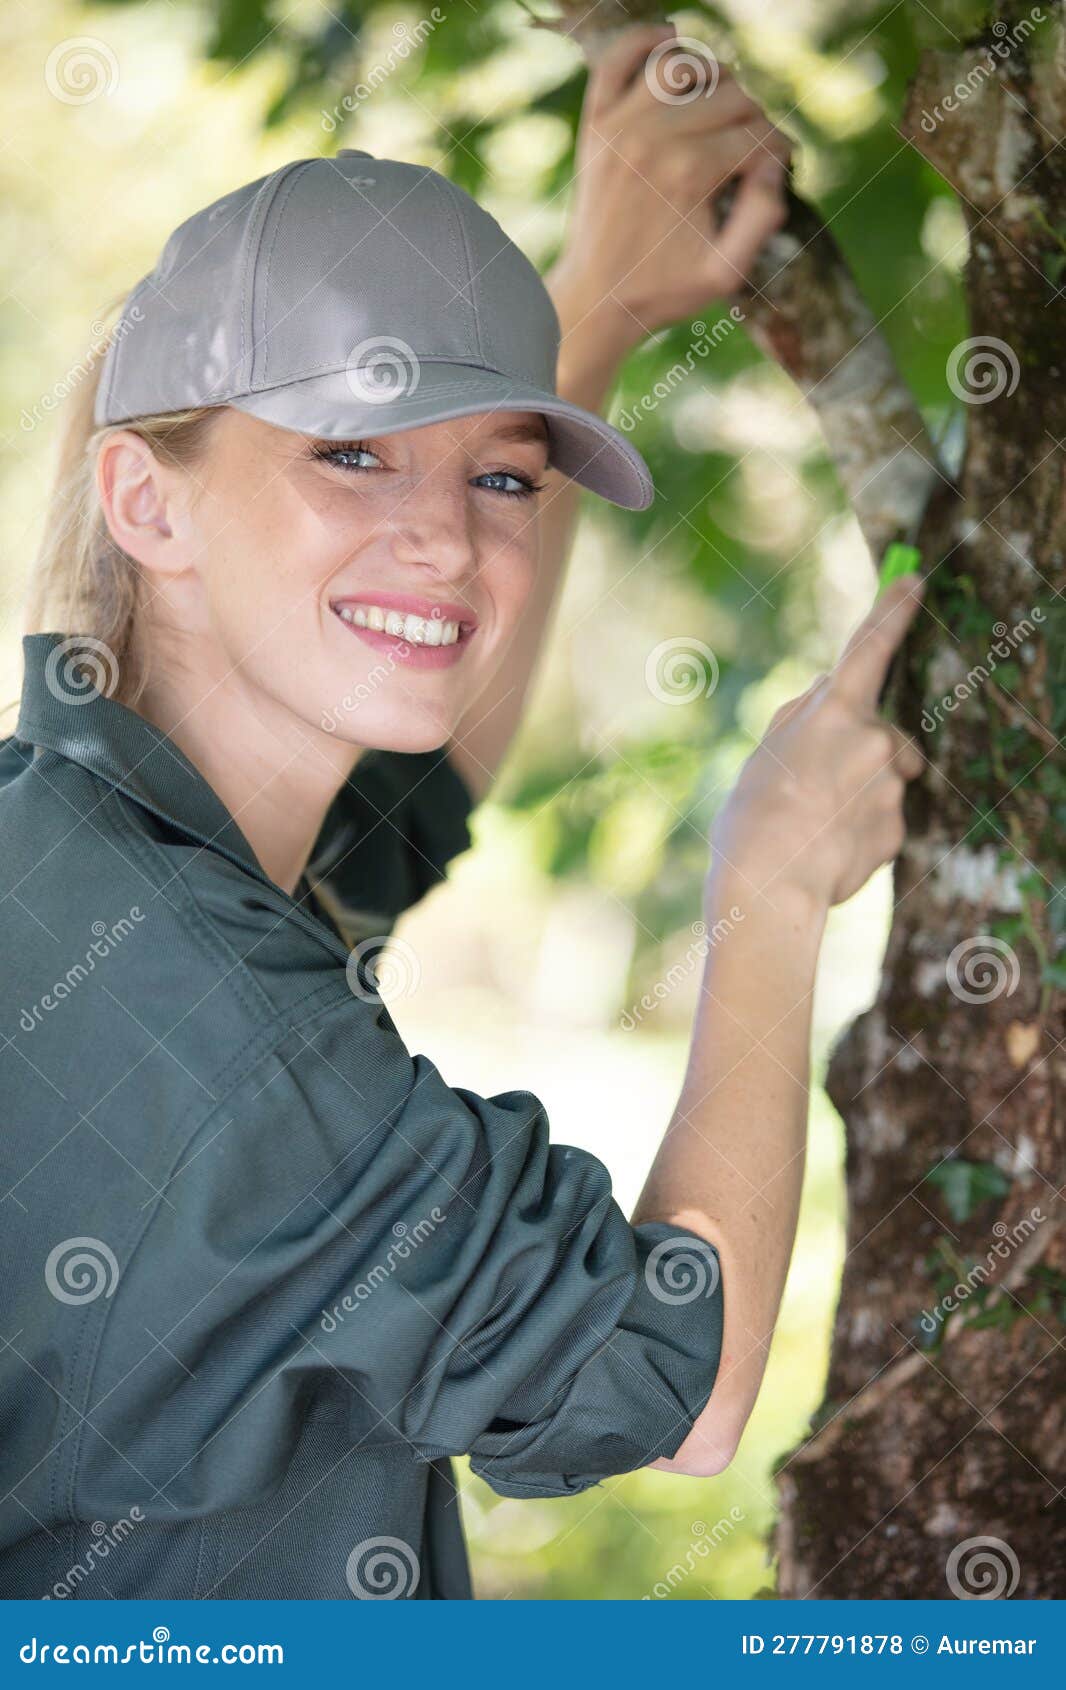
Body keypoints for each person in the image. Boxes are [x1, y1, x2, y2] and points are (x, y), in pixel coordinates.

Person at [0, 28, 923, 1600]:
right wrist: (766, 887)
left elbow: (392, 816)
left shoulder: (97, 868)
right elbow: (667, 1376)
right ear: (146, 501)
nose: (443, 539)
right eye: (349, 453)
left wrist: (604, 303)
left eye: (503, 479)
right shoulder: (182, 1000)